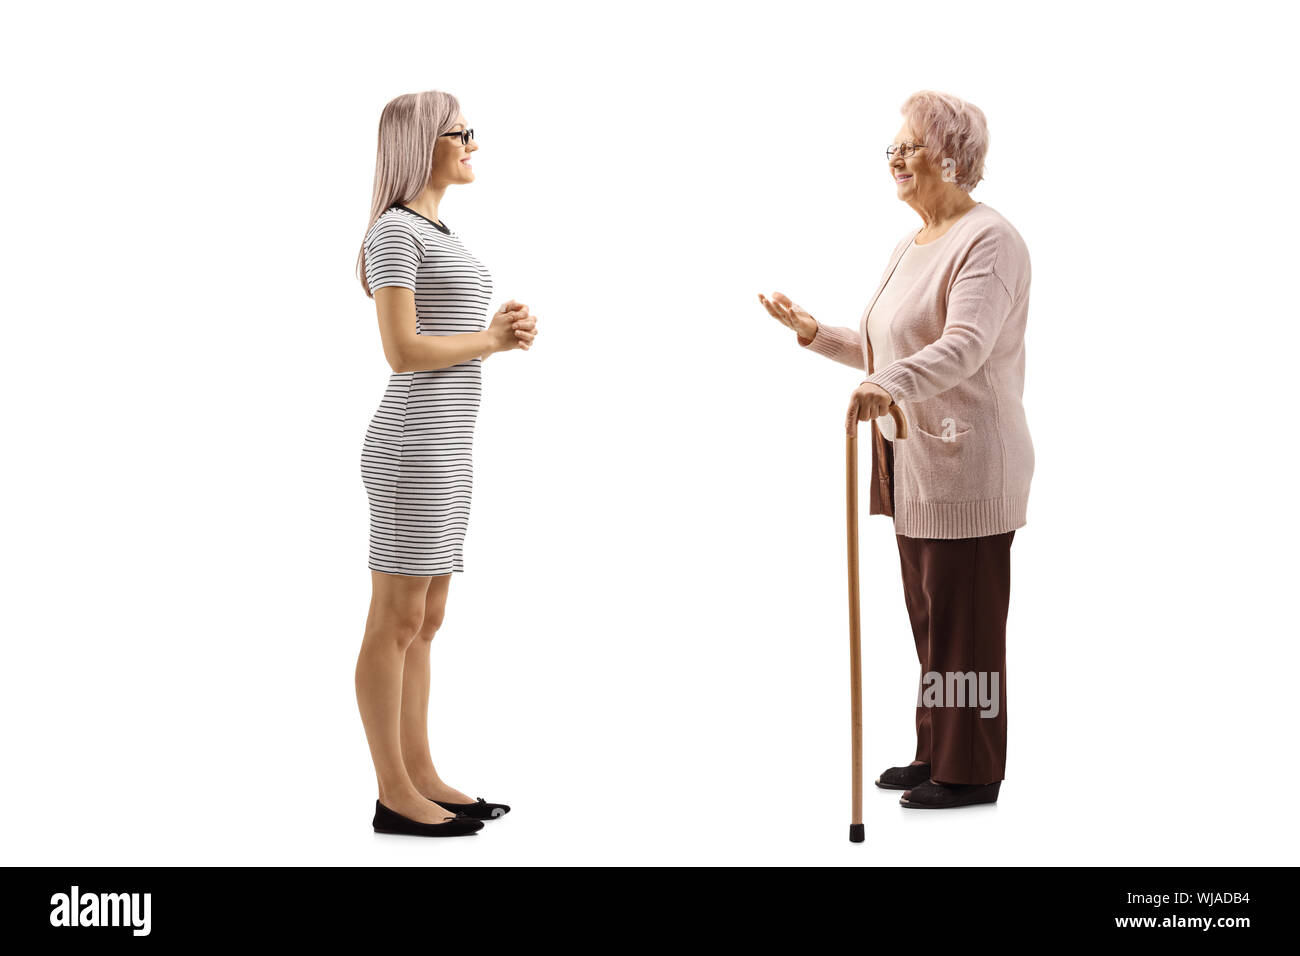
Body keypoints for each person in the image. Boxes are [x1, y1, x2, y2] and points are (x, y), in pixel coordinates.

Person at [759, 90, 1033, 809]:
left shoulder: (989, 240)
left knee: (963, 625)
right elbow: (890, 349)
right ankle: (937, 747)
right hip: (911, 462)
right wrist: (817, 334)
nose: (895, 158)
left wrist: (888, 381)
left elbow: (965, 347)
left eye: (910, 145)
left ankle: (970, 770)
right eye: (893, 147)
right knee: (933, 620)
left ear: (951, 155)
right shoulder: (910, 245)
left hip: (967, 461)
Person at [354, 90, 538, 836]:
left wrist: (503, 331)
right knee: (393, 620)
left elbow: (450, 332)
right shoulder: (395, 232)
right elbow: (401, 351)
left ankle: (423, 772)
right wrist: (490, 342)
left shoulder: (438, 231)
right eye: (461, 132)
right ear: (422, 141)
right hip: (412, 447)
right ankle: (393, 792)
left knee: (425, 620)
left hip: (446, 448)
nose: (472, 143)